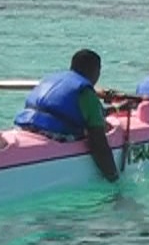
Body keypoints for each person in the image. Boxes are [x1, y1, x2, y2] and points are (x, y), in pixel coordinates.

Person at [14, 49, 118, 182]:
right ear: (95, 70)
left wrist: (114, 109)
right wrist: (113, 178)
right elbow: (98, 142)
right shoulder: (85, 92)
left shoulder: (50, 79)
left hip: (24, 128)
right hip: (52, 135)